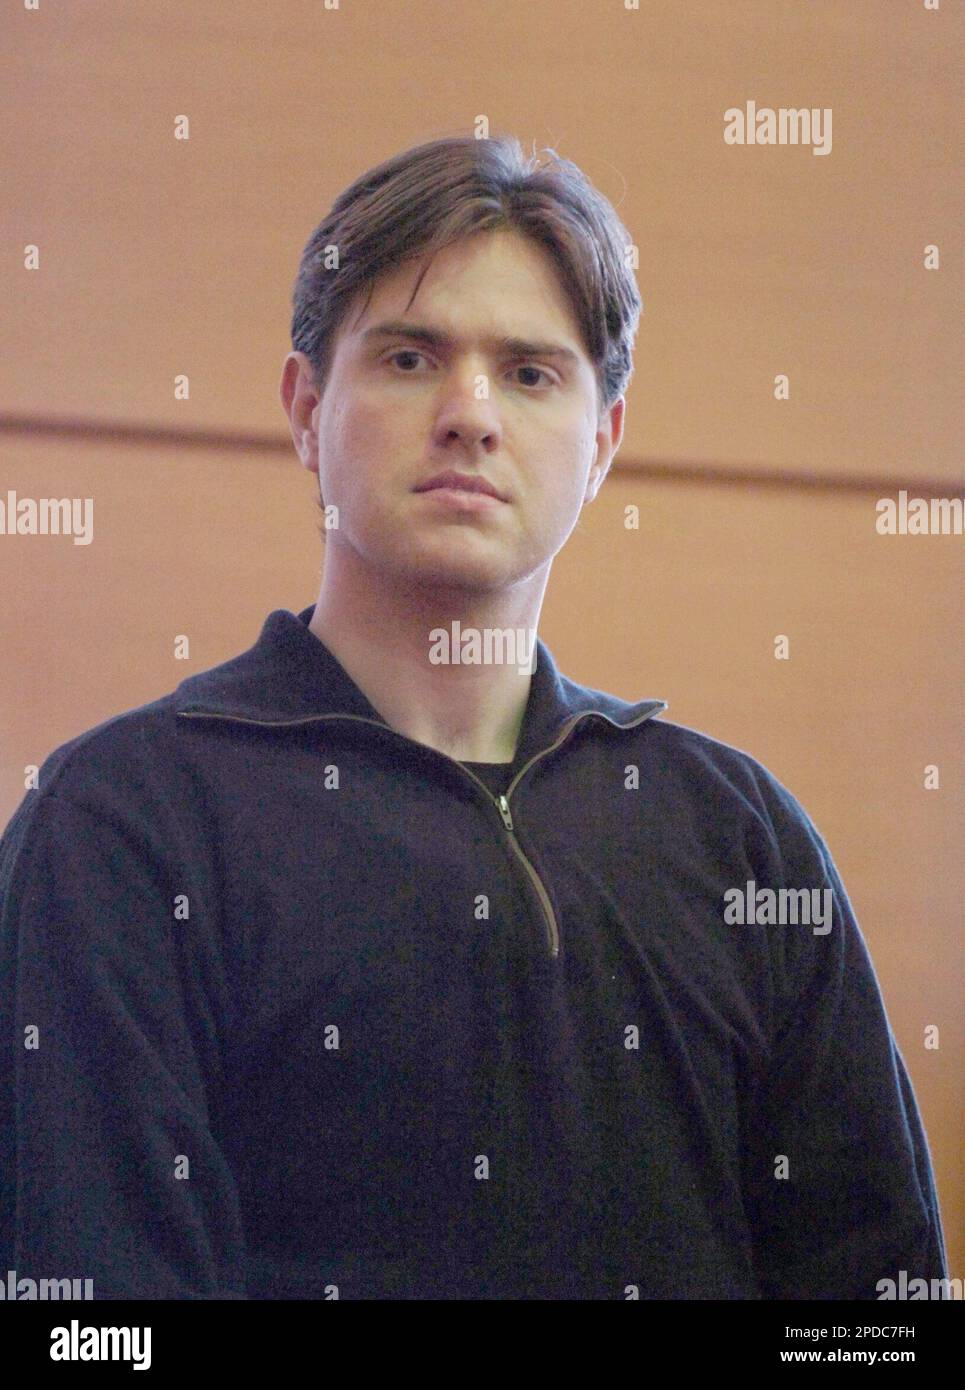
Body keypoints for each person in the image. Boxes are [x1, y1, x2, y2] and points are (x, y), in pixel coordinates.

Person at [0, 134, 948, 1300]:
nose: (469, 414)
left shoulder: (740, 836)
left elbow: (873, 1307)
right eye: (407, 358)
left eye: (531, 373)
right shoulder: (119, 826)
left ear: (601, 445)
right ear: (305, 409)